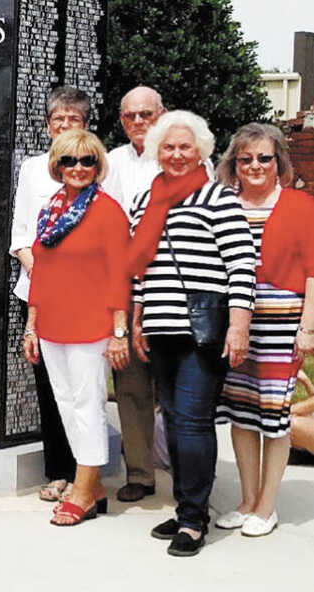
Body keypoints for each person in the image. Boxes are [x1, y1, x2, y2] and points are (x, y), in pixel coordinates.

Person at [129, 110, 255, 557]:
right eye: (168, 147)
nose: (177, 154)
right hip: (161, 326)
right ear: (156, 151)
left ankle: (195, 520)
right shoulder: (146, 201)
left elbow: (242, 263)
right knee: (174, 421)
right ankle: (187, 505)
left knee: (192, 422)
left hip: (203, 330)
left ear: (200, 150)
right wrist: (138, 319)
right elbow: (139, 270)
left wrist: (239, 325)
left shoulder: (218, 198)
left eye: (185, 147)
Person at [22, 129, 130, 525]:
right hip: (51, 322)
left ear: (98, 165)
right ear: (57, 166)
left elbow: (120, 274)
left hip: (91, 324)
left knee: (88, 406)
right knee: (67, 405)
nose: (78, 168)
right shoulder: (50, 210)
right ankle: (94, 484)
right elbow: (40, 273)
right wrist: (31, 325)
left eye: (87, 161)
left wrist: (119, 331)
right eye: (69, 161)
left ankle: (83, 489)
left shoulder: (108, 211)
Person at [214, 123, 314, 537]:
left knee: (274, 416)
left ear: (278, 164)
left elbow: (313, 274)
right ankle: (247, 499)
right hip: (234, 328)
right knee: (241, 411)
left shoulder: (299, 205)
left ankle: (267, 505)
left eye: (264, 158)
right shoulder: (223, 204)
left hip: (282, 325)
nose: (254, 166)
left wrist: (307, 329)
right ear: (233, 164)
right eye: (245, 158)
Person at [9, 86, 90, 501]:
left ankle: (84, 474)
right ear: (46, 126)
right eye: (57, 119)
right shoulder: (32, 169)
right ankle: (57, 471)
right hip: (39, 293)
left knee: (83, 387)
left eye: (72, 119)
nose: (63, 125)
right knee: (50, 386)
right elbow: (21, 235)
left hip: (85, 297)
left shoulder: (94, 167)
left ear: (86, 126)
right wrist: (44, 271)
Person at [105, 86, 166, 503]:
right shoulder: (110, 162)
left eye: (146, 114)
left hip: (172, 285)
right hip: (123, 282)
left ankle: (189, 470)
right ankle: (141, 472)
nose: (138, 122)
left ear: (162, 114)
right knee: (131, 383)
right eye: (130, 116)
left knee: (179, 383)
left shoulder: (184, 156)